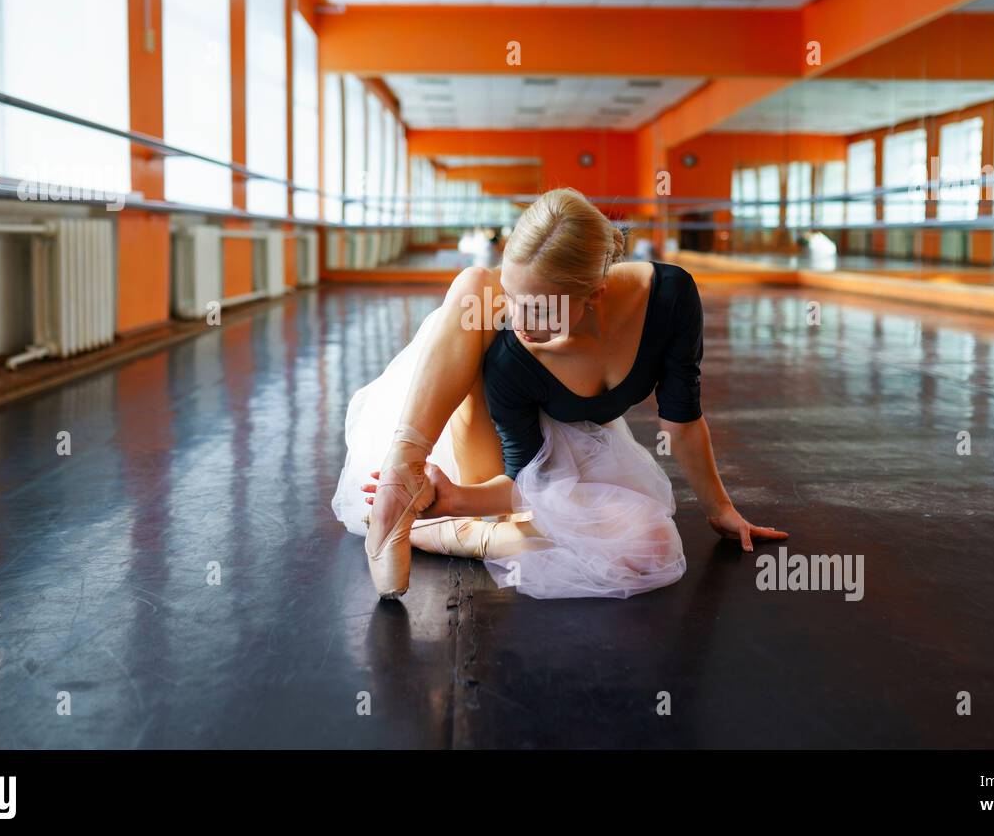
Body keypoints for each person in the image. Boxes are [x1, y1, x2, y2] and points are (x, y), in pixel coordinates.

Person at [331, 188, 786, 601]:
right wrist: (470, 492)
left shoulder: (670, 296)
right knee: (472, 286)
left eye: (539, 308)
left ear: (595, 293)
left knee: (651, 542)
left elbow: (682, 421)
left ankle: (446, 528)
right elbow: (525, 476)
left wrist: (720, 509)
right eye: (511, 297)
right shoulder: (510, 353)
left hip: (565, 449)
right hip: (477, 438)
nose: (519, 320)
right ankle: (400, 481)